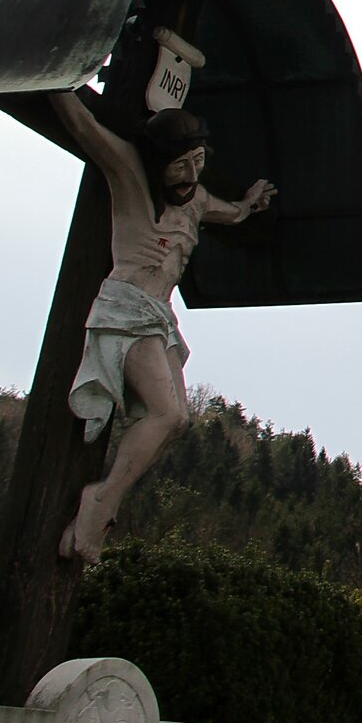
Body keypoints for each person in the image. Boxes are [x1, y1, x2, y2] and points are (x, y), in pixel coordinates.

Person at [48, 90, 276, 563]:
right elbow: (86, 128)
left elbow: (228, 212)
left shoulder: (196, 202)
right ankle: (101, 499)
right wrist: (55, 77)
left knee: (179, 420)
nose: (191, 175)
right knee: (166, 414)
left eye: (197, 162)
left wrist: (249, 204)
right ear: (158, 165)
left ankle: (108, 498)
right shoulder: (132, 176)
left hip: (158, 316)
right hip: (128, 308)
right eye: (180, 166)